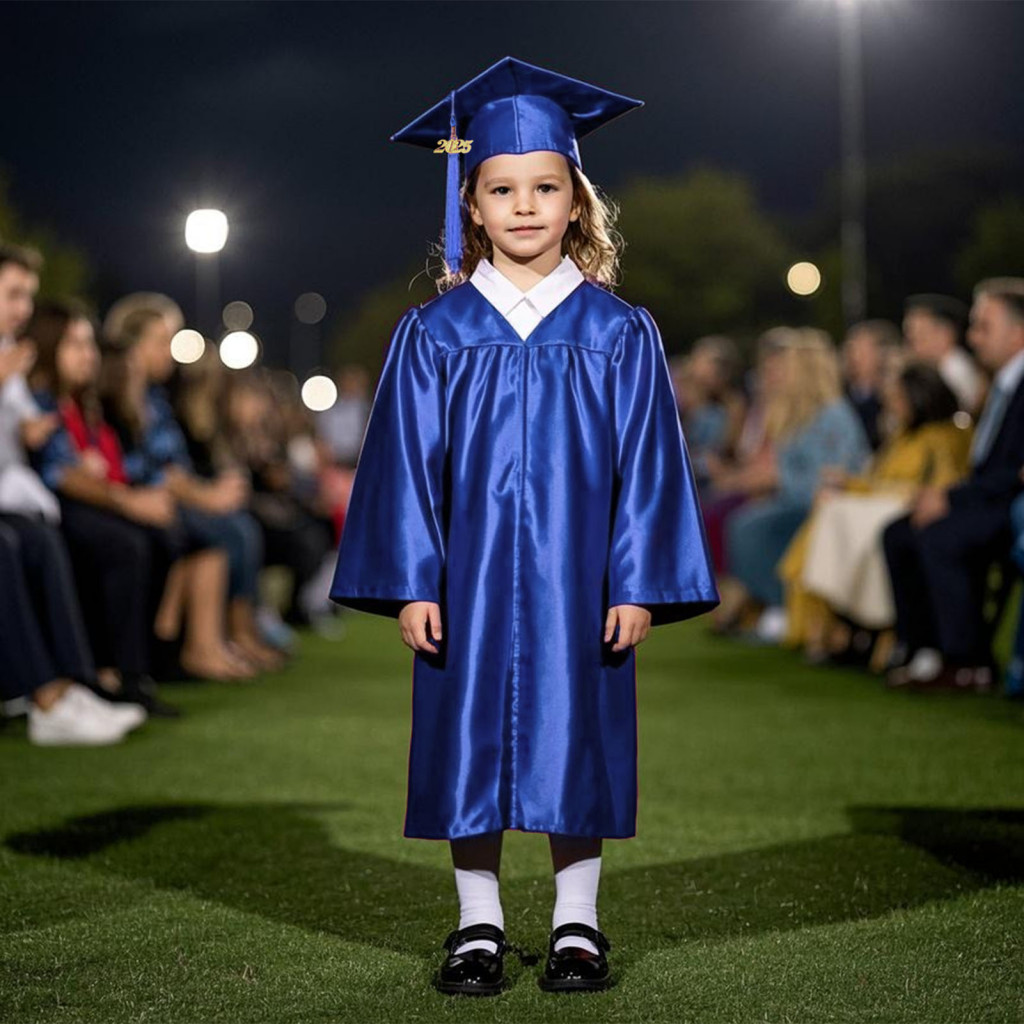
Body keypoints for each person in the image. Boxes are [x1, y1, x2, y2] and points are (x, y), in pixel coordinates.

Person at [328, 57, 719, 996]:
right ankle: (478, 927)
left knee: (575, 737)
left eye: (546, 187)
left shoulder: (621, 331)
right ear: (472, 205)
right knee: (466, 742)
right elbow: (403, 469)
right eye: (502, 189)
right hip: (462, 581)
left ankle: (578, 923)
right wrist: (415, 578)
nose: (525, 205)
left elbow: (649, 468)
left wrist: (637, 582)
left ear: (578, 202)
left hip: (581, 583)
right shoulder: (435, 334)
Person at [884, 278, 1024, 692]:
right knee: (898, 533)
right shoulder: (1001, 383)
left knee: (939, 535)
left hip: (1008, 505)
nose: (972, 337)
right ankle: (922, 647)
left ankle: (966, 660)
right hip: (987, 498)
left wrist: (950, 497)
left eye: (983, 326)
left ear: (1019, 330)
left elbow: (1016, 471)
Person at [778, 362, 969, 664]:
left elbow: (935, 487)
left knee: (846, 519)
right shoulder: (905, 435)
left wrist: (859, 488)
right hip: (882, 504)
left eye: (897, 398)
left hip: (907, 509)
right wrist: (851, 484)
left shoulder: (942, 438)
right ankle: (844, 624)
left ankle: (858, 627)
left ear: (918, 398)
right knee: (833, 512)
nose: (891, 405)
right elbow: (881, 478)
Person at [714, 329, 871, 639]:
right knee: (744, 521)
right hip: (798, 502)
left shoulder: (832, 416)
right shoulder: (801, 417)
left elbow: (827, 478)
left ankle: (782, 605)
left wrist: (776, 480)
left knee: (751, 527)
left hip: (826, 508)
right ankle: (773, 603)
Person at [903, 293, 984, 415]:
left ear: (945, 335)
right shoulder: (937, 369)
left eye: (919, 337)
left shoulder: (956, 372)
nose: (911, 347)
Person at [841, 319, 902, 451]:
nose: (854, 357)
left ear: (883, 355)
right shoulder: (840, 394)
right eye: (851, 349)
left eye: (862, 351)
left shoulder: (895, 399)